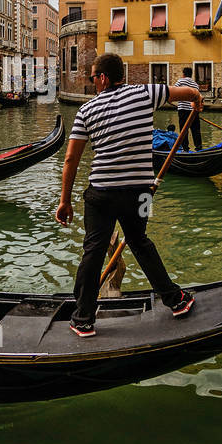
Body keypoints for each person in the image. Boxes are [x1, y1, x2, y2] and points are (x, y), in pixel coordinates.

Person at [54, 52, 206, 336]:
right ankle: (176, 301)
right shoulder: (146, 93)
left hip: (101, 192)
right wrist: (196, 100)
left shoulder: (86, 110)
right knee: (141, 242)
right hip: (141, 193)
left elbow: (71, 160)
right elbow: (187, 91)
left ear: (102, 78)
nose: (93, 83)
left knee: (93, 250)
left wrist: (64, 201)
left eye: (93, 78)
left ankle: (83, 319)